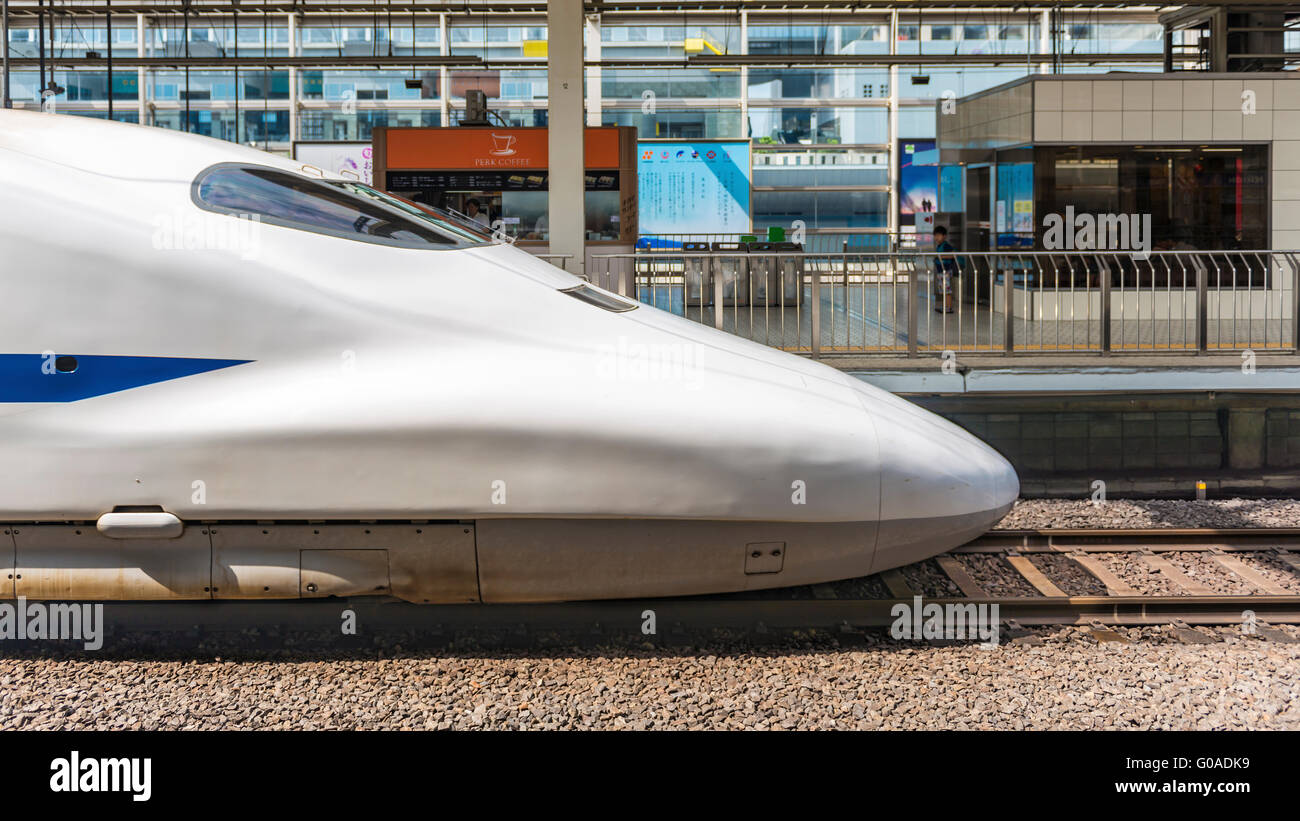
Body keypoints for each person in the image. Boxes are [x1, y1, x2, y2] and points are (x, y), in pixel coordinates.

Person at [933, 225, 958, 314]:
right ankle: (946, 306)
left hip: (946, 271)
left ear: (944, 236)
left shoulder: (946, 245)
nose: (937, 237)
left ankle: (949, 307)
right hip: (941, 271)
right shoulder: (939, 246)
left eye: (939, 235)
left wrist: (941, 257)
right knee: (943, 290)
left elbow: (953, 255)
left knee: (947, 290)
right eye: (935, 235)